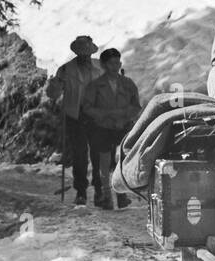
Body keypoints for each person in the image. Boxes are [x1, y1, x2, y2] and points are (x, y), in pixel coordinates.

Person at [46, 35, 105, 206]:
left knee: (98, 154)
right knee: (80, 155)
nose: (85, 56)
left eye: (87, 53)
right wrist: (54, 84)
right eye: (82, 53)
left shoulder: (100, 67)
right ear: (77, 53)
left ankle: (99, 191)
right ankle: (81, 191)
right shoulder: (65, 70)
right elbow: (53, 94)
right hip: (75, 116)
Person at [81, 49, 143, 209]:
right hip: (103, 128)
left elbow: (136, 106)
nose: (115, 66)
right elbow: (87, 107)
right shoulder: (95, 86)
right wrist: (106, 115)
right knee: (104, 163)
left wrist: (122, 116)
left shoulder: (128, 84)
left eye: (117, 63)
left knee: (121, 162)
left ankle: (121, 195)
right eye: (111, 63)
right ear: (103, 65)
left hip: (123, 128)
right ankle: (106, 196)